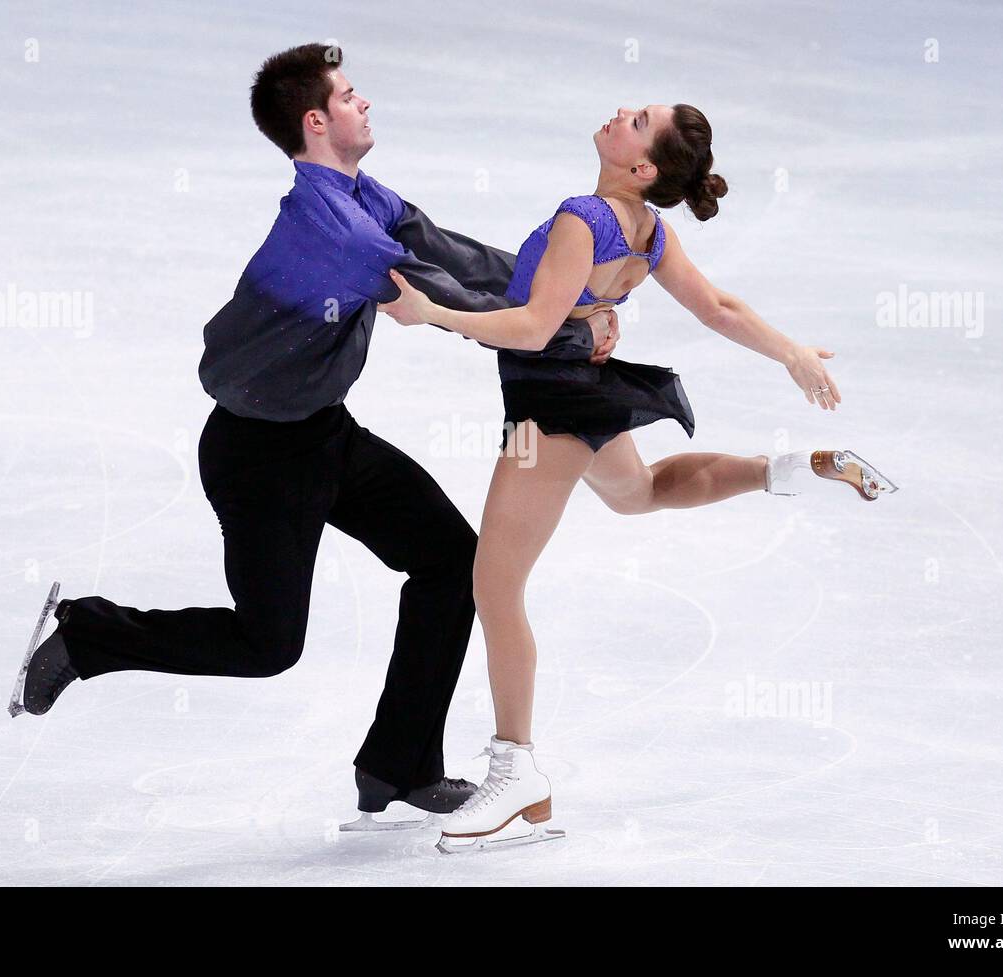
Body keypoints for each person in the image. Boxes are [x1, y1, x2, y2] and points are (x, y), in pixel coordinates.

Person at [6, 43, 622, 830]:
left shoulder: (364, 197)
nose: (365, 103)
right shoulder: (333, 228)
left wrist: (568, 284)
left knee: (448, 563)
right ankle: (87, 634)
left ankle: (398, 764)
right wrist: (568, 323)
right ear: (316, 120)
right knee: (267, 645)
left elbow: (453, 251)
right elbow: (443, 296)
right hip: (257, 455)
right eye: (352, 94)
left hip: (326, 435)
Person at [377, 102, 899, 850]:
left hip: (546, 413)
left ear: (641, 166)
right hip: (585, 392)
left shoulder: (583, 218)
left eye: (638, 118)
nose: (622, 112)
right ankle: (793, 468)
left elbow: (528, 326)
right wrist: (791, 352)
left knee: (493, 584)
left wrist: (430, 312)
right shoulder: (648, 231)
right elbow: (716, 307)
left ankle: (515, 767)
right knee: (640, 492)